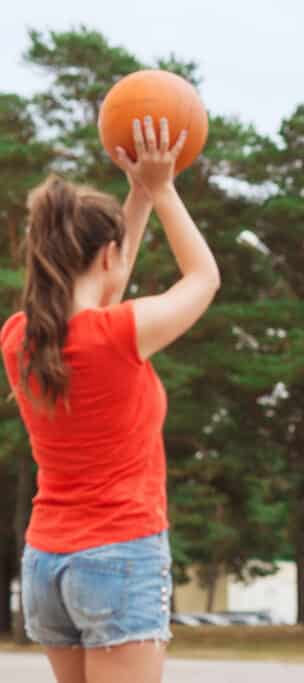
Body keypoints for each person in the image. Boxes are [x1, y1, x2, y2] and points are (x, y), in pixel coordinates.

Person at [1, 116, 220, 683]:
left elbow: (102, 295)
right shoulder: (117, 335)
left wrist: (138, 194)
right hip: (119, 555)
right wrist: (165, 188)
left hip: (46, 563)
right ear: (106, 257)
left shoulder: (19, 337)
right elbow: (203, 278)